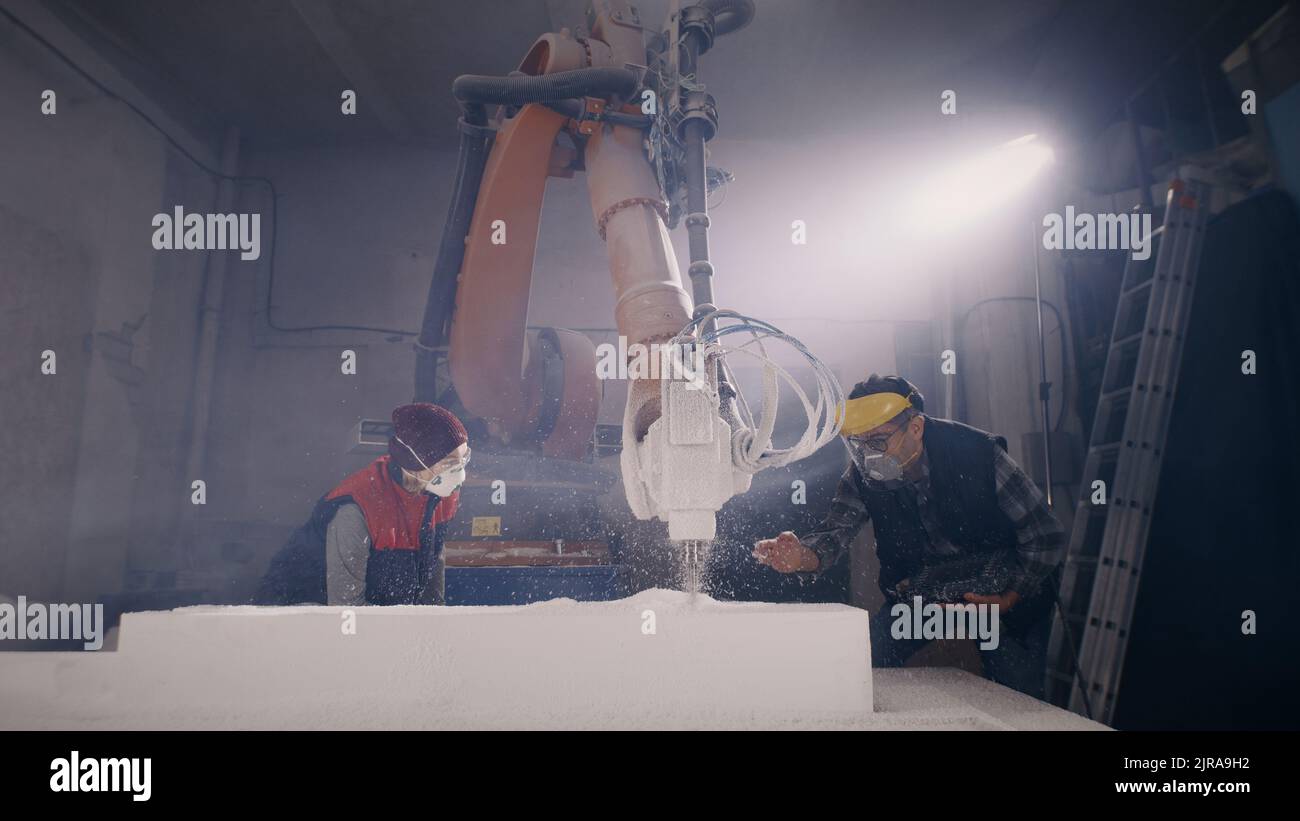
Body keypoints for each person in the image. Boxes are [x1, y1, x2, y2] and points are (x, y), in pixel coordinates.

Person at [753, 374, 1065, 698]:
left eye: (878, 442)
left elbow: (1046, 533)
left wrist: (1009, 597)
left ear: (915, 428)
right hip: (922, 594)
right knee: (866, 663)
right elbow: (834, 534)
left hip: (1000, 593)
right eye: (857, 444)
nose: (867, 455)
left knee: (1020, 698)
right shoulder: (863, 476)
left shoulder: (978, 454)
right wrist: (801, 555)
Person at [255, 402, 469, 606]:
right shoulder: (357, 509)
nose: (460, 472)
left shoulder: (441, 495)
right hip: (300, 616)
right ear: (415, 462)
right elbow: (347, 610)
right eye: (449, 462)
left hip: (371, 619)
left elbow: (431, 593)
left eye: (463, 458)